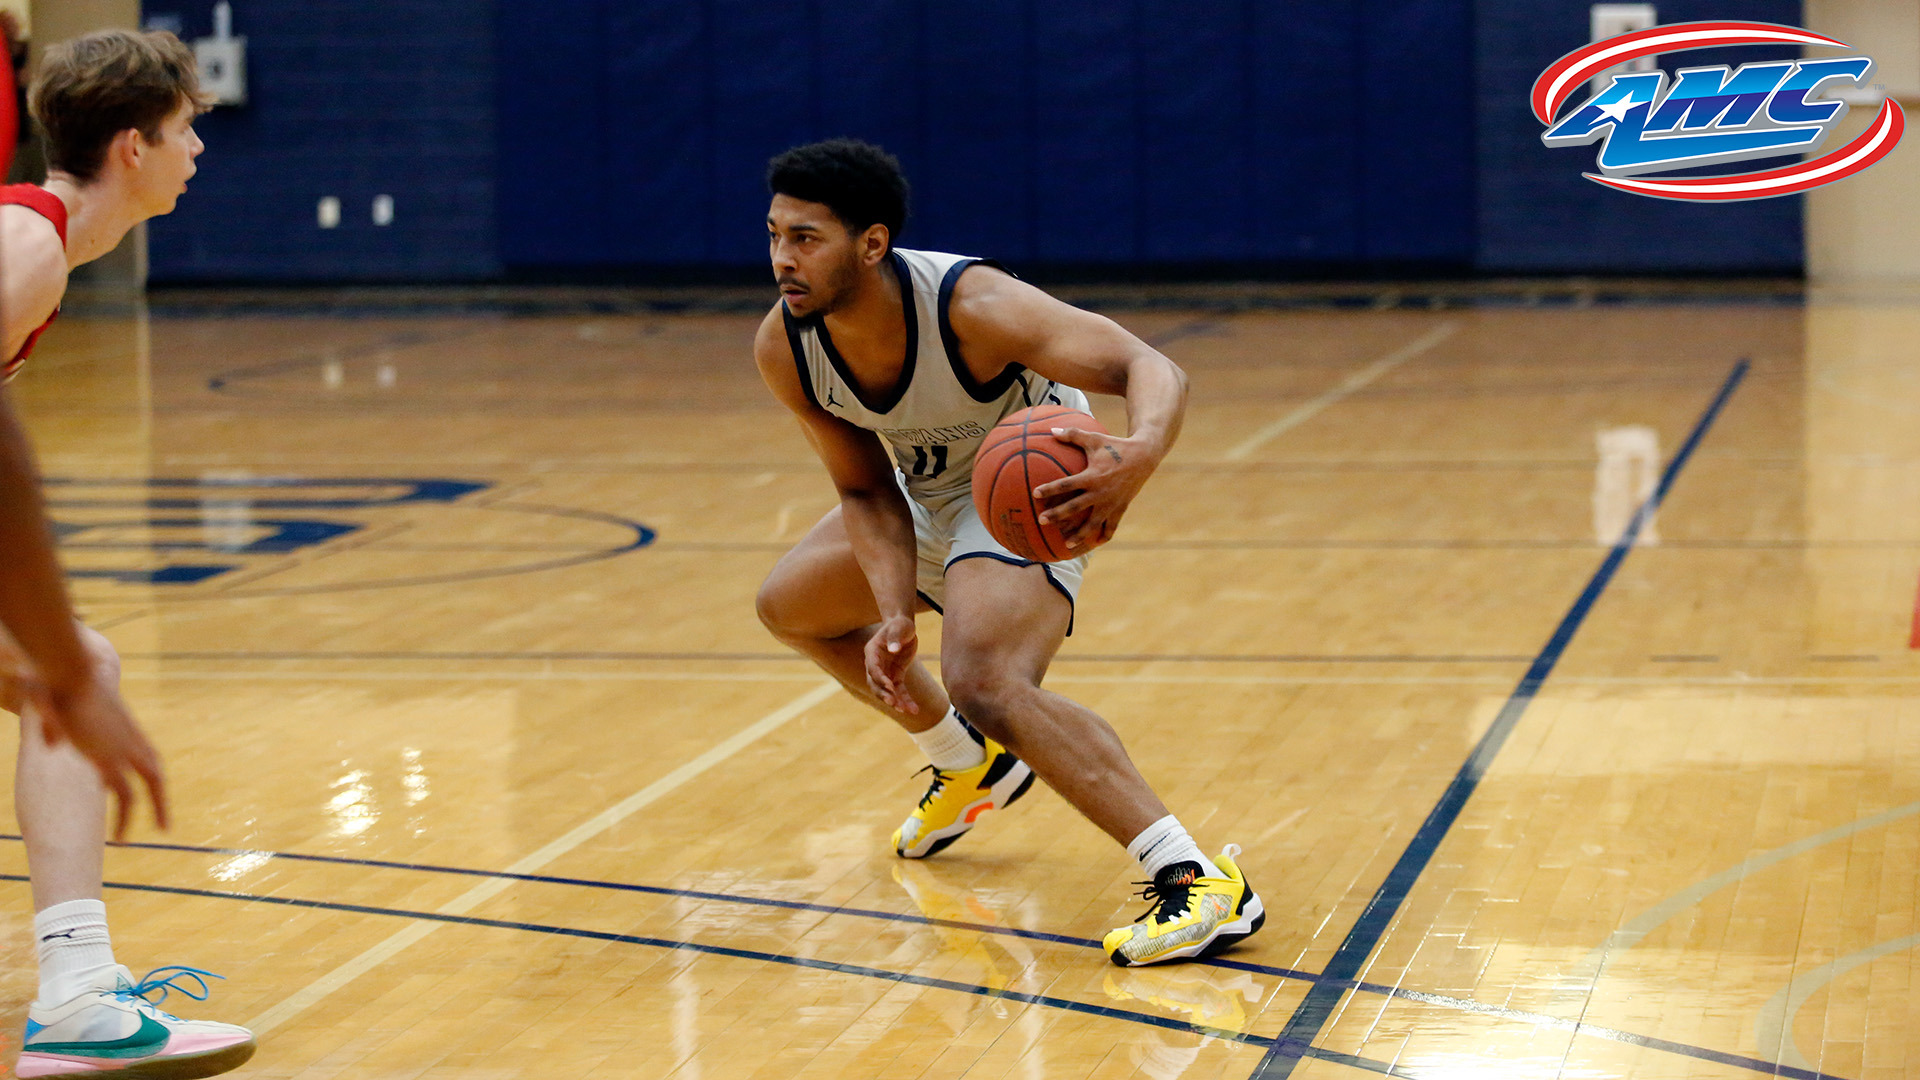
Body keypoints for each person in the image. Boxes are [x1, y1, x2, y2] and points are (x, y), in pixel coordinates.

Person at [753, 139, 1263, 966]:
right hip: (923, 494)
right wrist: (890, 610)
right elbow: (864, 490)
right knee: (793, 609)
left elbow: (1147, 363)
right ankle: (965, 764)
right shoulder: (788, 346)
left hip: (1026, 494)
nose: (783, 258)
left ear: (872, 244)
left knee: (986, 679)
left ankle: (1197, 878)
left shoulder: (974, 304)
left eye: (806, 238)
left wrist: (1140, 452)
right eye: (775, 235)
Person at [0, 28, 253, 1079]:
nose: (199, 149)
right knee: (76, 674)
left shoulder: (38, 244)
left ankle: (79, 993)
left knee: (76, 672)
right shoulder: (28, 249)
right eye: (187, 128)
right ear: (133, 147)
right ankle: (76, 995)